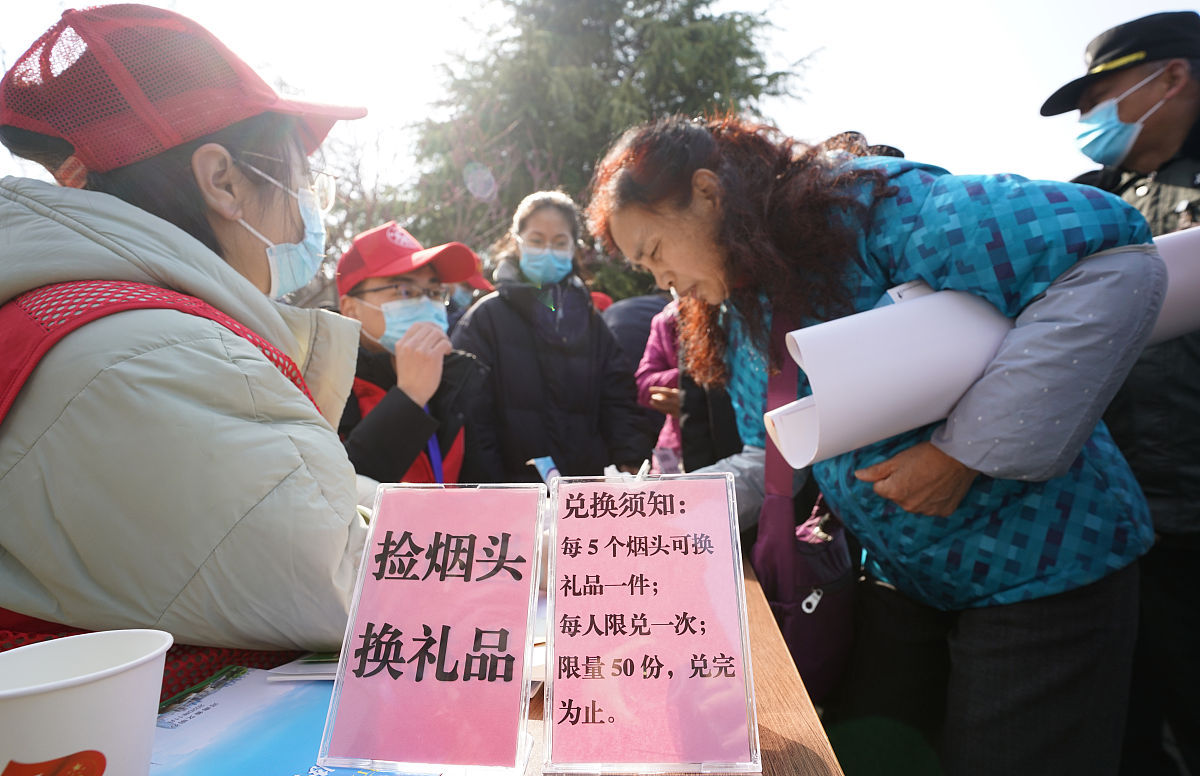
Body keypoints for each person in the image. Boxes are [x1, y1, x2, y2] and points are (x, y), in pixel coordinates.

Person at [586, 114, 1165, 776]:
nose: (664, 283)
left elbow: (1113, 252)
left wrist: (962, 455)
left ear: (709, 193)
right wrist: (643, 512)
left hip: (1043, 565)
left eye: (656, 251)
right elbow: (764, 456)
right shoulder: (745, 306)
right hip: (905, 575)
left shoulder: (871, 211)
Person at [0, 5, 368, 695]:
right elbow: (335, 578)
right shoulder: (149, 352)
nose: (307, 210)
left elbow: (290, 496)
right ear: (223, 181)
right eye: (301, 181)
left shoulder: (83, 317)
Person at [1041, 11, 1200, 775]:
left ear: (1172, 77)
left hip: (1193, 520)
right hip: (1117, 524)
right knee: (1127, 738)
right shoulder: (1097, 202)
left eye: (1100, 97)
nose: (1088, 122)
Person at [451, 190, 648, 481]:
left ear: (573, 248)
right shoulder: (486, 318)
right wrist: (493, 492)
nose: (547, 250)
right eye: (536, 240)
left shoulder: (591, 322)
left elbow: (618, 395)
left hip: (583, 495)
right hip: (513, 496)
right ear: (517, 243)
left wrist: (629, 456)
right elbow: (471, 415)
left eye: (559, 243)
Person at [336, 221, 499, 487]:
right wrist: (409, 396)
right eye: (405, 290)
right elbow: (336, 492)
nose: (426, 303)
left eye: (434, 292)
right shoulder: (322, 381)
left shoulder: (459, 375)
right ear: (352, 309)